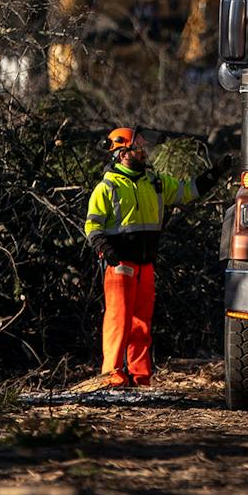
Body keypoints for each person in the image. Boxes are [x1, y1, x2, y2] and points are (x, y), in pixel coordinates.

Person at [84, 127, 200, 388]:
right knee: (118, 320)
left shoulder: (154, 182)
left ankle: (140, 377)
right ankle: (112, 376)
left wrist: (217, 173)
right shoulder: (108, 187)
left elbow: (187, 191)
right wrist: (105, 248)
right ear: (122, 152)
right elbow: (92, 226)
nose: (143, 151)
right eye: (138, 147)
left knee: (142, 325)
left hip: (146, 264)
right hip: (120, 264)